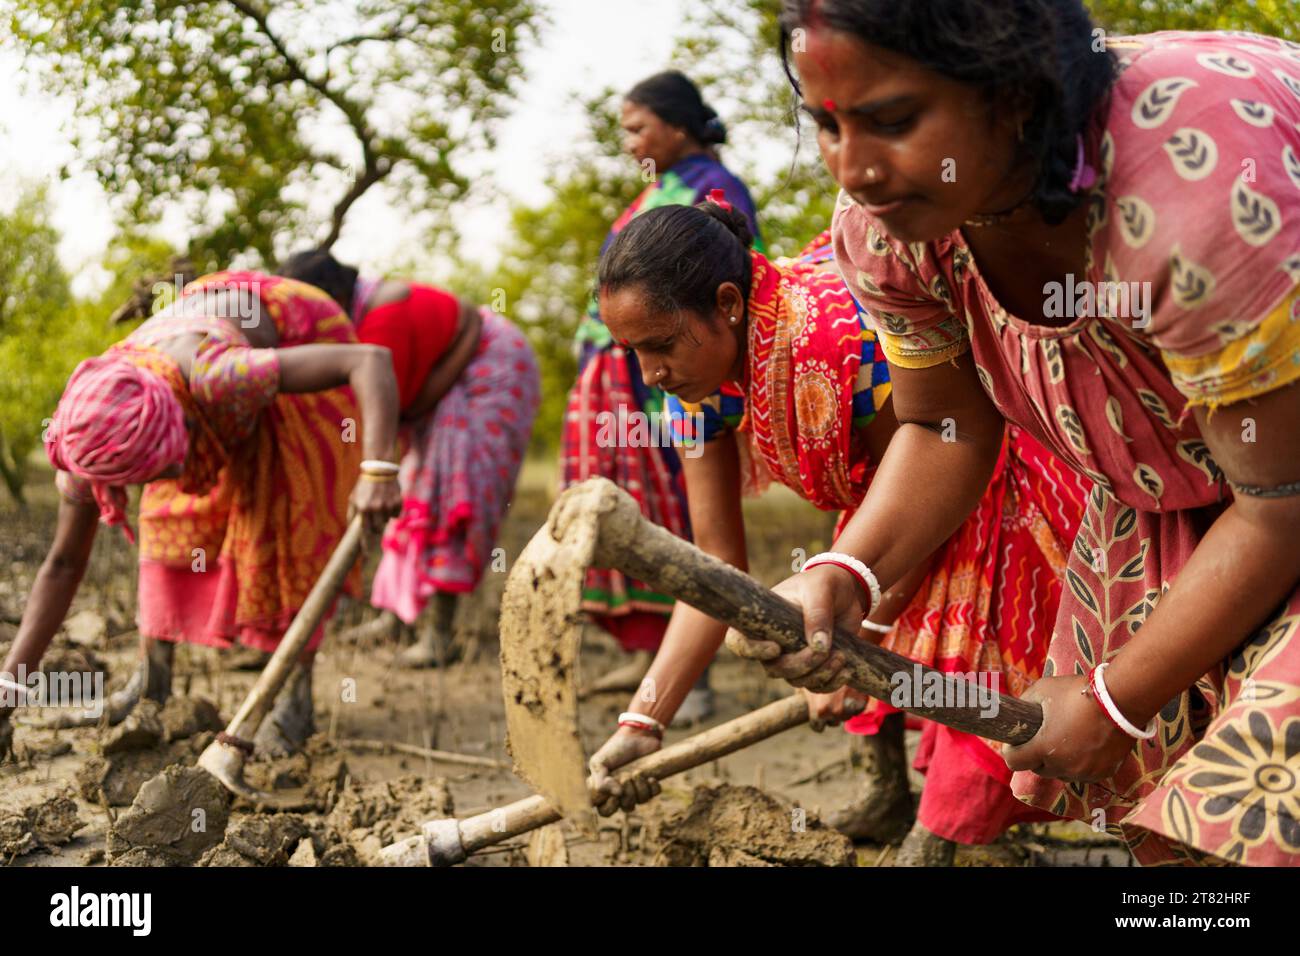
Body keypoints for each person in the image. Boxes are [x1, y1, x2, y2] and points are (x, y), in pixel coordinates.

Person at [728, 0, 1300, 865]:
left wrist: (1115, 697)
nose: (854, 171)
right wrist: (851, 571)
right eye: (828, 126)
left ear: (1016, 95)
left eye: (892, 121)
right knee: (1174, 836)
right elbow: (945, 423)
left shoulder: (1192, 195)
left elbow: (1278, 500)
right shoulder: (893, 234)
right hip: (1174, 490)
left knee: (1253, 815)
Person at [583, 198, 1089, 863]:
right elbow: (713, 567)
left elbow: (935, 474)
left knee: (953, 643)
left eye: (662, 345)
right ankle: (887, 792)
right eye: (634, 352)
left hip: (983, 474)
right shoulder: (689, 395)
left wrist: (861, 641)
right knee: (829, 592)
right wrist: (644, 720)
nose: (650, 374)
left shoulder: (831, 339)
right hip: (890, 489)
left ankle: (940, 839)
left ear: (729, 304)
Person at [0, 271, 401, 758]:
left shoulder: (224, 378)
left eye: (170, 464)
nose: (169, 479)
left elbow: (370, 359)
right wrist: (8, 692)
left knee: (287, 514)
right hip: (206, 346)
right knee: (169, 520)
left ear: (185, 420)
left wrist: (379, 471)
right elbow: (62, 563)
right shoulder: (90, 434)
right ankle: (152, 686)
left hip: (300, 329)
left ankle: (293, 704)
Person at [562, 70, 762, 719]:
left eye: (637, 127)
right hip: (626, 385)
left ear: (677, 126)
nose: (629, 142)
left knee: (672, 510)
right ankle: (654, 658)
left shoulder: (713, 191)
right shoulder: (660, 190)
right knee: (630, 515)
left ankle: (691, 675)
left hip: (656, 392)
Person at [278, 250, 540, 668]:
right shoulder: (361, 316)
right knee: (411, 488)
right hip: (457, 372)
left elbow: (391, 408)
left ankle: (439, 634)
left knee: (447, 493)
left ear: (334, 296)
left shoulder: (382, 320)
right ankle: (397, 616)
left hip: (490, 372)